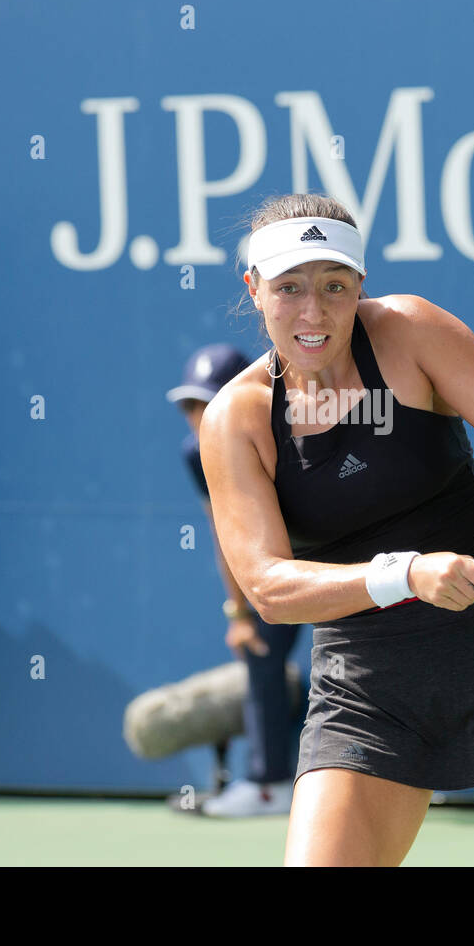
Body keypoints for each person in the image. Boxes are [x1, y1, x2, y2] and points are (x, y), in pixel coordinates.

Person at [199, 193, 474, 865]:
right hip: (366, 693)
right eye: (290, 288)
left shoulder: (412, 331)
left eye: (335, 286)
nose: (313, 311)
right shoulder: (237, 419)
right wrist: (408, 573)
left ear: (360, 284)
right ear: (254, 289)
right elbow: (268, 588)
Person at [167, 344, 301, 816]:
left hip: (337, 552)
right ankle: (270, 786)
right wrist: (239, 612)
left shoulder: (292, 426)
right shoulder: (196, 453)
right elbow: (227, 535)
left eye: (207, 402)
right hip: (275, 562)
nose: (198, 415)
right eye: (189, 405)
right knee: (260, 649)